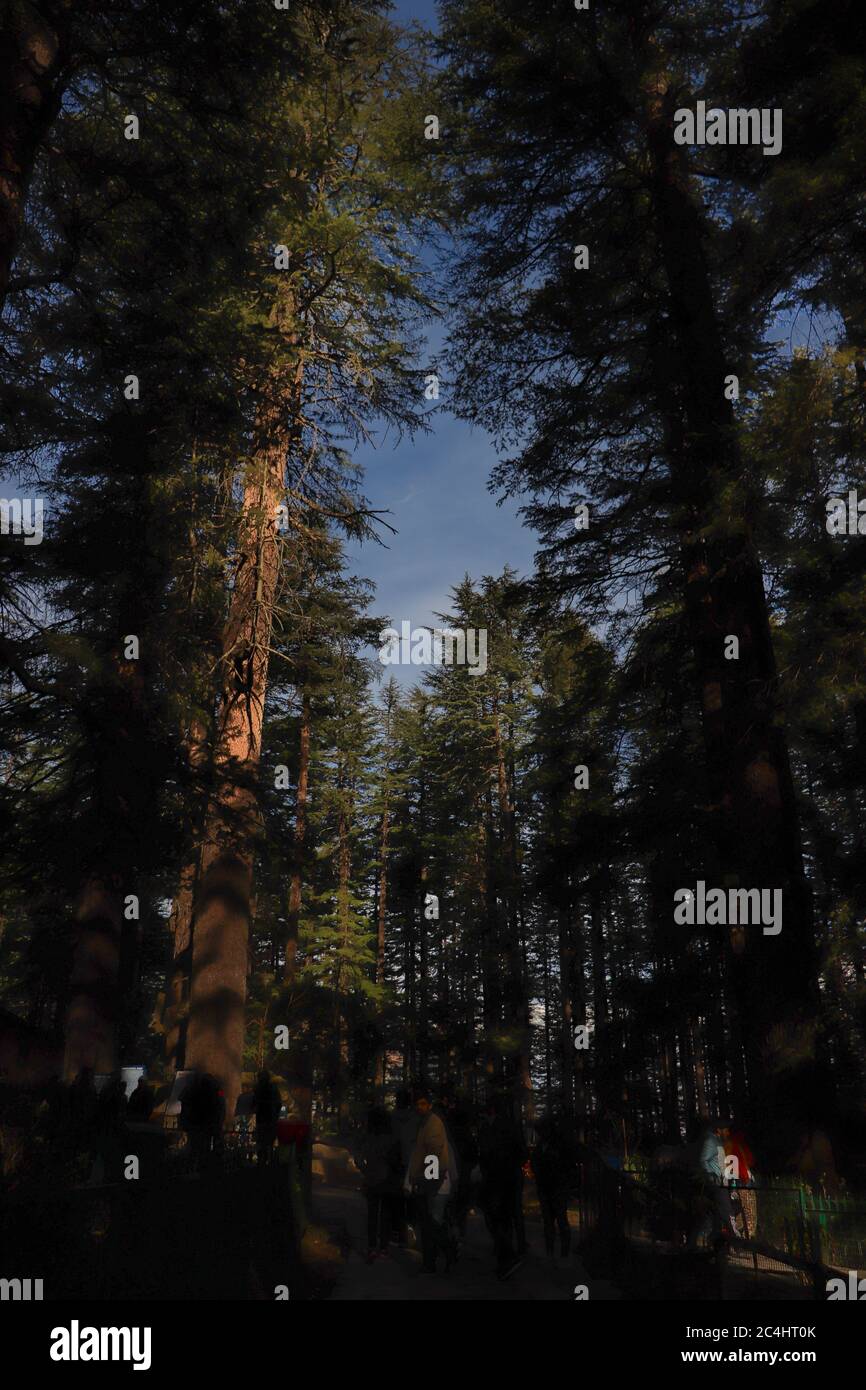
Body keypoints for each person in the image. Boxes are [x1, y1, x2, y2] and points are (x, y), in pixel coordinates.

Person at [405, 1088, 459, 1274]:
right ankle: (433, 1260)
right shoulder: (424, 1123)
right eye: (417, 1104)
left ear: (428, 1105)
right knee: (429, 1225)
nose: (419, 1107)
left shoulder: (433, 1124)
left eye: (422, 1104)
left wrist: (429, 1182)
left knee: (431, 1224)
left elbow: (434, 1153)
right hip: (428, 1180)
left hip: (432, 1183)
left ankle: (444, 1252)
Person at [478, 1095, 528, 1280]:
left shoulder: (503, 1127)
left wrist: (506, 1165)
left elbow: (521, 1152)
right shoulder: (489, 1127)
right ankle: (507, 1256)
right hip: (498, 1178)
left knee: (501, 1218)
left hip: (503, 1178)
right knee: (500, 1218)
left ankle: (508, 1256)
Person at [356, 1106, 401, 1262]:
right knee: (385, 1215)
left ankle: (371, 1247)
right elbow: (396, 1160)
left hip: (371, 1178)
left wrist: (365, 1169)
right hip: (387, 1179)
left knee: (372, 1214)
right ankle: (383, 1247)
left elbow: (359, 1158)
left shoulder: (368, 1137)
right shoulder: (391, 1138)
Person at [533, 1113, 577, 1260]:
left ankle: (562, 1253)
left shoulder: (558, 1144)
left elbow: (567, 1165)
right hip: (546, 1188)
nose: (540, 1133)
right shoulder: (542, 1145)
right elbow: (535, 1163)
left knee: (560, 1220)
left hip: (556, 1187)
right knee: (549, 1223)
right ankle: (551, 1251)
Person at [688, 1118, 736, 1250]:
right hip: (717, 1184)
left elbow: (718, 1162)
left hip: (721, 1183)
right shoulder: (711, 1141)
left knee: (715, 1215)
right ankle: (737, 1244)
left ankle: (706, 1243)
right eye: (726, 1129)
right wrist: (713, 1177)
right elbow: (703, 1160)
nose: (728, 1132)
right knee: (727, 1212)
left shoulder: (717, 1142)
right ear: (719, 1130)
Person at [392, 1087, 420, 1244]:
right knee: (410, 1201)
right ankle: (408, 1231)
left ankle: (401, 1232)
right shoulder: (416, 1118)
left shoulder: (393, 1118)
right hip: (410, 1163)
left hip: (399, 1165)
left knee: (399, 1201)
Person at [252, 1069, 282, 1166]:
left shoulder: (258, 1088)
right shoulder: (272, 1088)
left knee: (263, 1143)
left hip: (264, 1120)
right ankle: (268, 1162)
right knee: (268, 1143)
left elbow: (254, 1103)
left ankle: (263, 1162)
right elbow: (279, 1103)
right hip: (269, 1120)